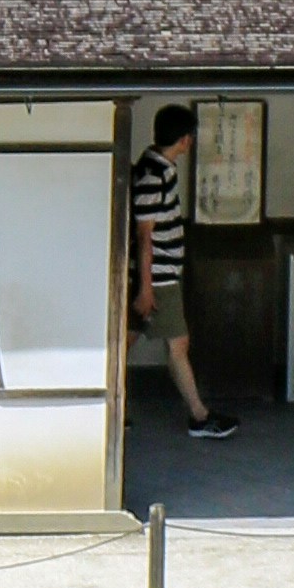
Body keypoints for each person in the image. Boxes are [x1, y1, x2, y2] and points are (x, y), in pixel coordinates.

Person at [127, 104, 238, 443]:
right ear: (185, 139)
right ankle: (199, 416)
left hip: (152, 275)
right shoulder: (153, 176)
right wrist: (146, 288)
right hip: (157, 278)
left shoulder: (156, 168)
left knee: (121, 344)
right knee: (178, 344)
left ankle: (113, 411)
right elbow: (144, 236)